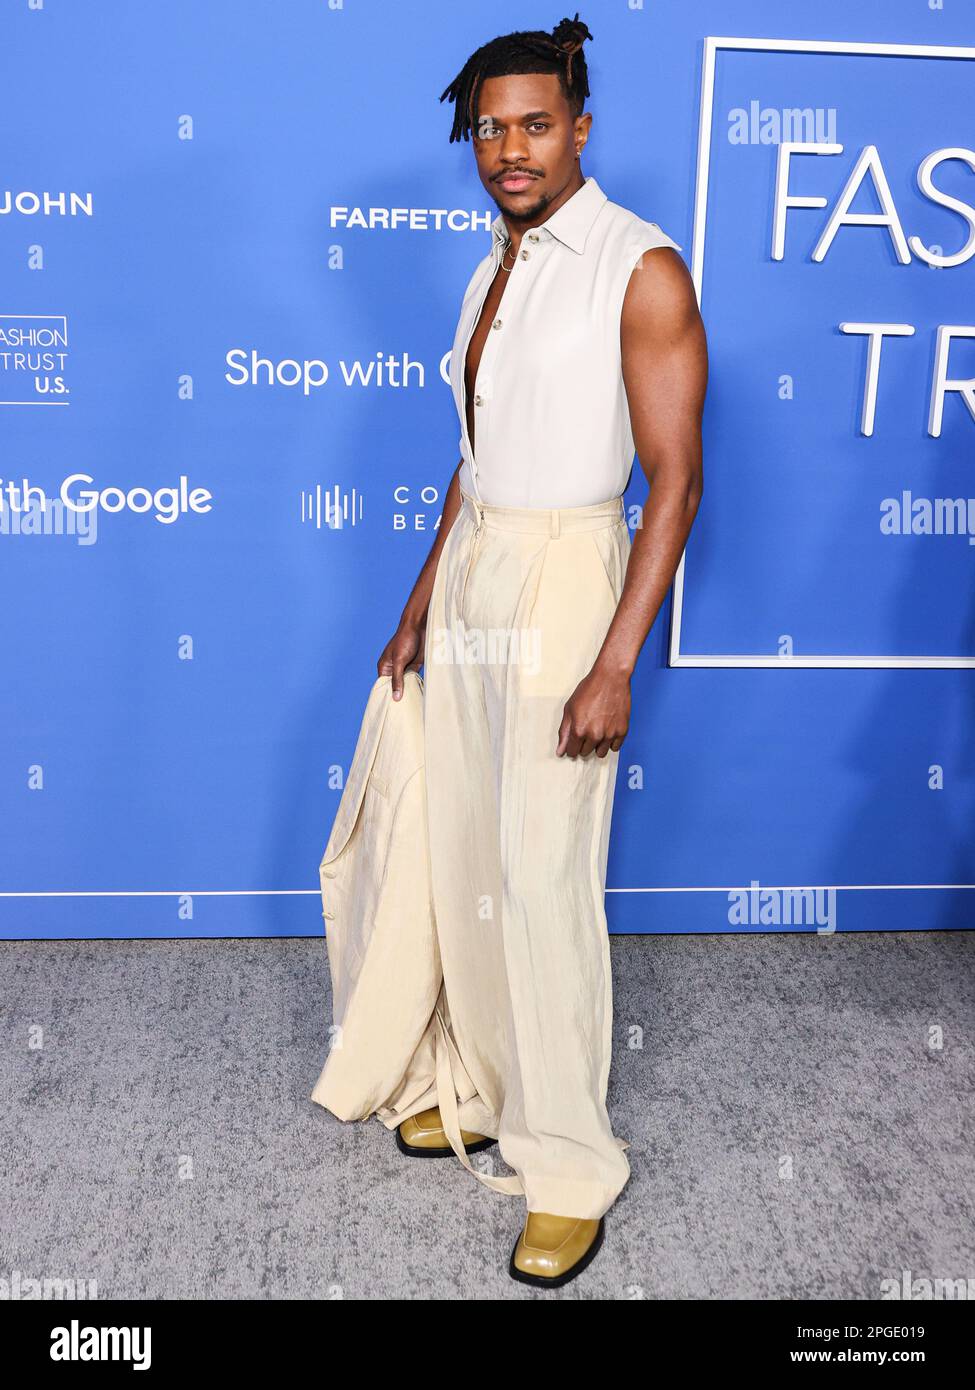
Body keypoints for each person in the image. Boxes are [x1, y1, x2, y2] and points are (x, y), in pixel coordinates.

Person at [376, 12, 707, 1288]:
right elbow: (474, 456)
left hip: (572, 574)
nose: (510, 149)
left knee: (545, 871)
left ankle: (569, 1160)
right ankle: (486, 1086)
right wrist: (421, 599)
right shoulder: (495, 261)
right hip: (474, 571)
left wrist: (617, 659)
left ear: (581, 127)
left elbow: (674, 481)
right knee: (466, 846)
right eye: (491, 128)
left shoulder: (640, 266)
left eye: (535, 125)